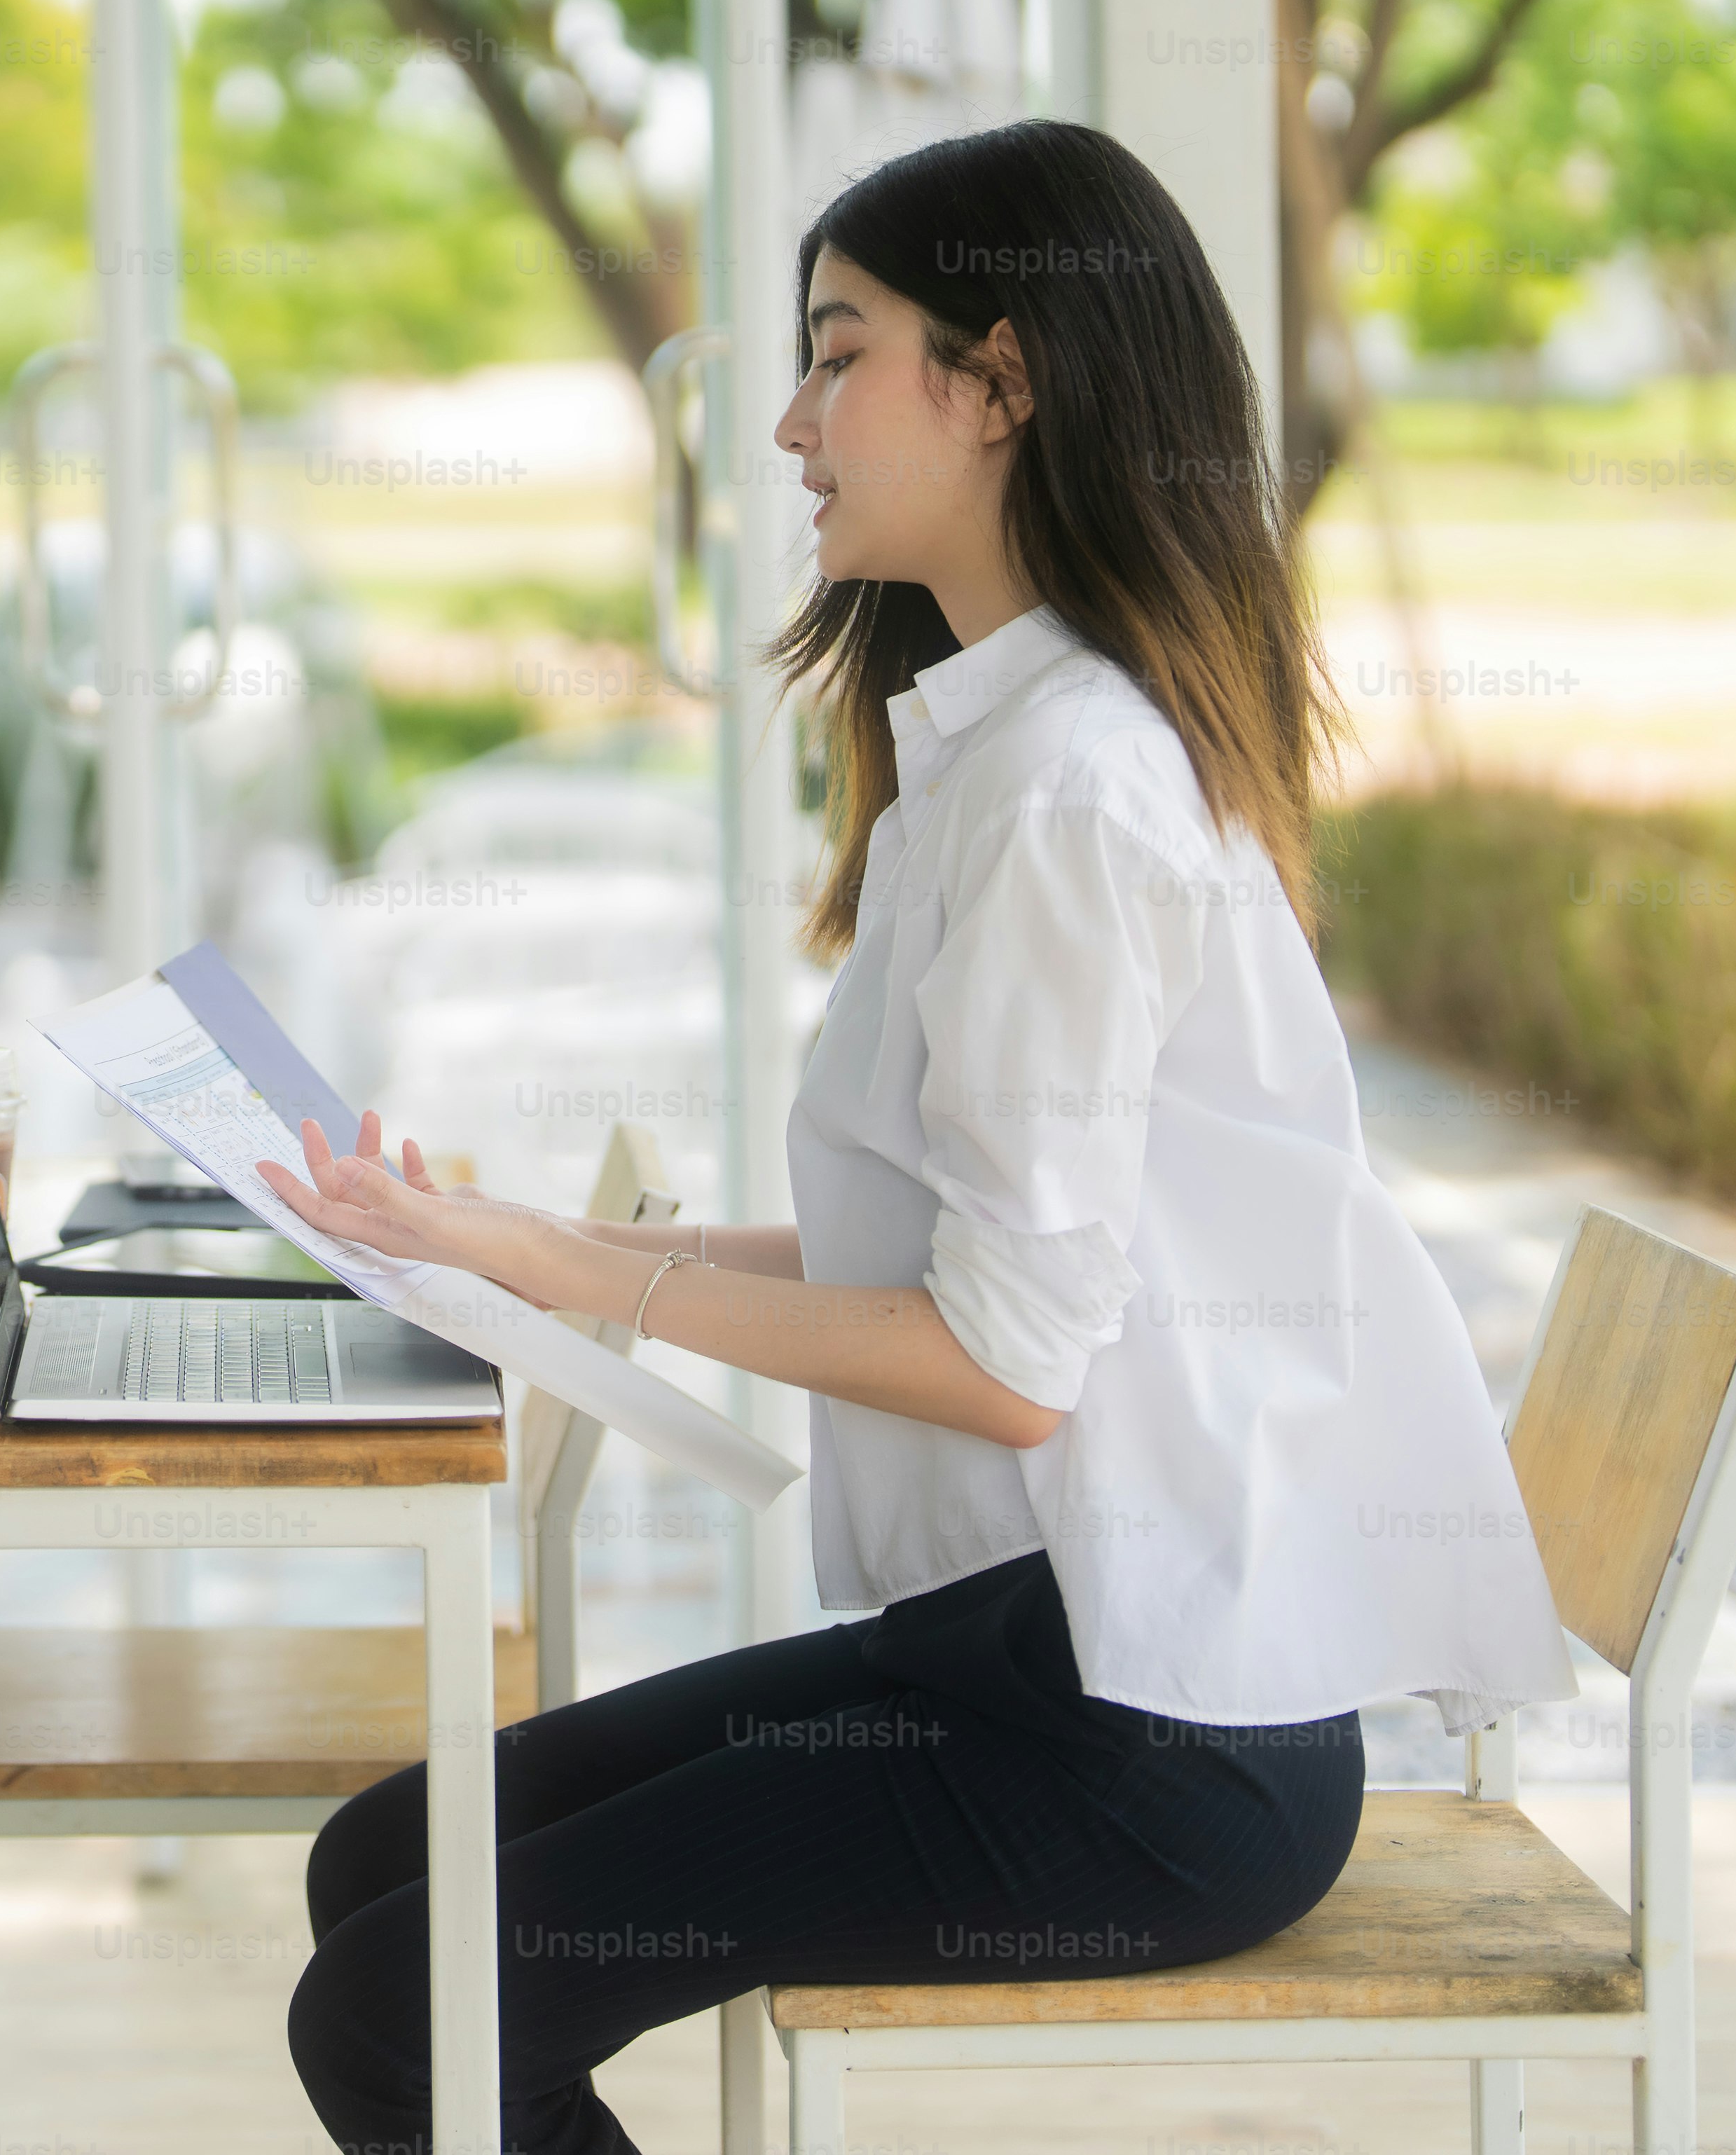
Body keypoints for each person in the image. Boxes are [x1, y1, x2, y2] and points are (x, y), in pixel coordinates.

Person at [256, 121, 1573, 2155]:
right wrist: (509, 1235)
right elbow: (955, 1274)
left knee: (394, 2011)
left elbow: (1004, 1369)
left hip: (1142, 1741)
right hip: (1029, 1658)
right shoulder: (1002, 753)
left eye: (836, 350)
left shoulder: (1072, 796)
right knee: (387, 1873)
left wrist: (582, 1275)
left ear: (1003, 381)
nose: (788, 421)